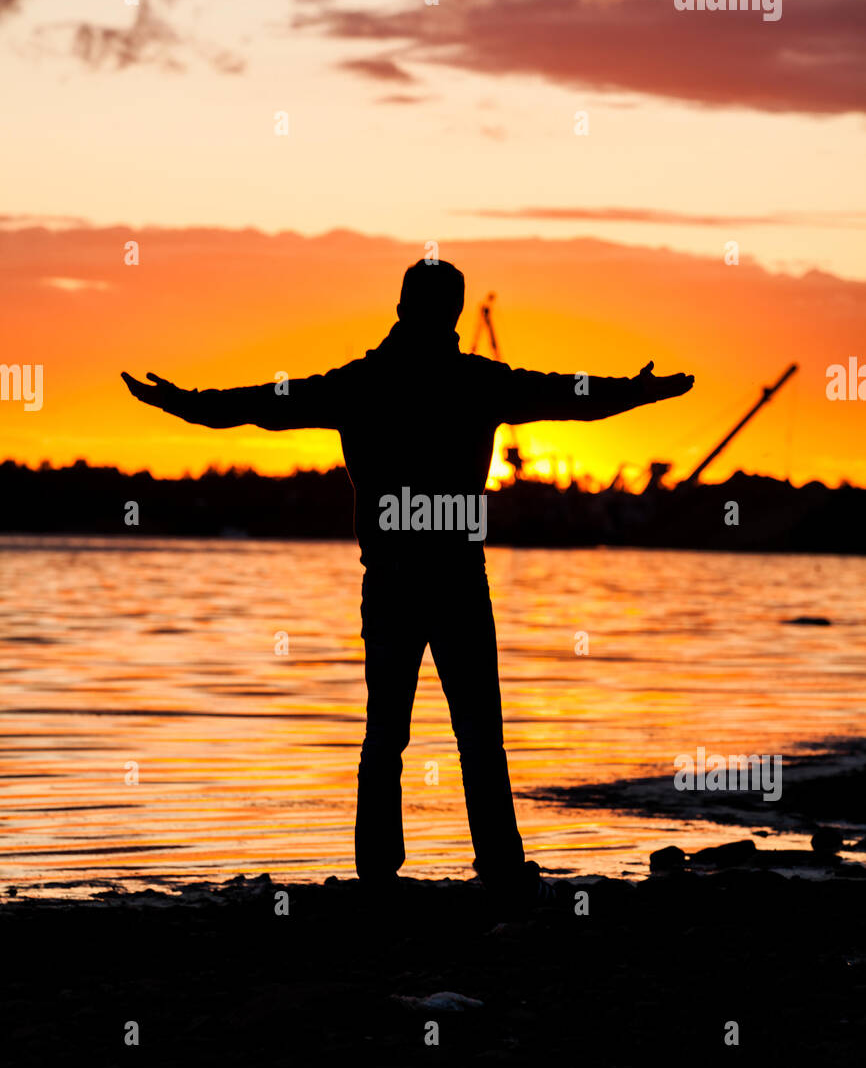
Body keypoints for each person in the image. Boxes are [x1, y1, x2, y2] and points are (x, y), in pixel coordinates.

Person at [123, 259, 693, 911]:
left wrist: (186, 404)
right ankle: (499, 866)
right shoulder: (476, 382)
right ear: (451, 314)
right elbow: (572, 395)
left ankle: (378, 872)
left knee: (386, 730)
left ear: (400, 307)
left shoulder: (362, 384)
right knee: (477, 730)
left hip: (393, 579)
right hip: (455, 578)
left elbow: (258, 407)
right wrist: (642, 392)